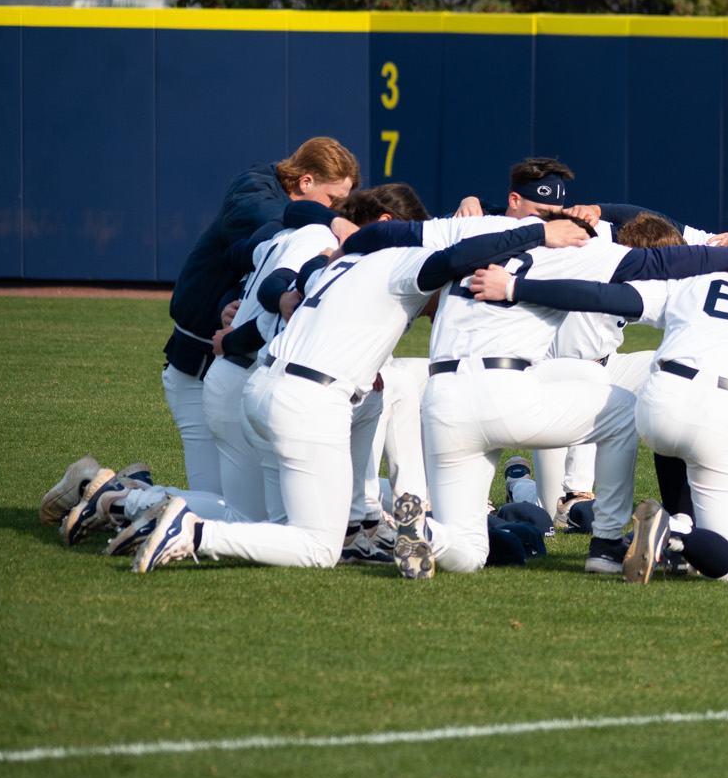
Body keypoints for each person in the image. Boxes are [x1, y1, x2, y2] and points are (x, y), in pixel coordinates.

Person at [129, 192, 578, 574]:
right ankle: (192, 532)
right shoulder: (401, 261)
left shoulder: (342, 259)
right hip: (308, 401)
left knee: (271, 522)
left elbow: (281, 285)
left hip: (263, 388)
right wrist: (540, 234)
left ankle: (134, 506)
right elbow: (454, 258)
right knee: (316, 549)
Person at [470, 242, 728, 583]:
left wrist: (515, 286)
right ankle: (676, 534)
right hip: (724, 413)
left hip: (660, 401)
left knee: (632, 408)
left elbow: (598, 295)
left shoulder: (692, 283)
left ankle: (616, 540)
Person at [160, 137, 360, 493]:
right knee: (215, 499)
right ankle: (118, 498)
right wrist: (338, 223)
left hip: (238, 366)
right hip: (195, 367)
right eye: (334, 200)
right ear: (305, 182)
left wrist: (233, 297)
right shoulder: (254, 187)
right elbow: (275, 222)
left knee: (251, 502)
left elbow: (244, 260)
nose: (339, 211)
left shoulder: (301, 214)